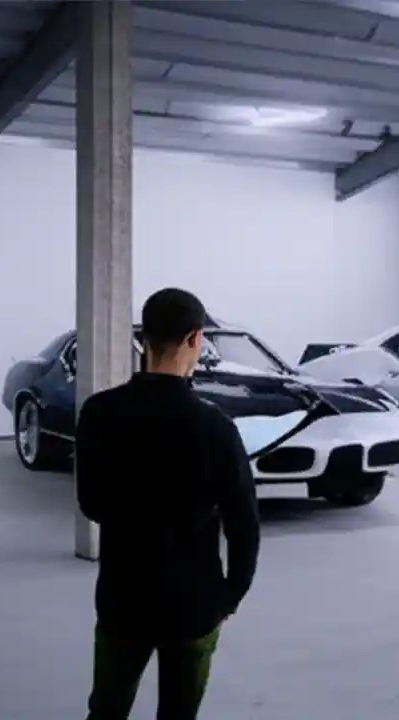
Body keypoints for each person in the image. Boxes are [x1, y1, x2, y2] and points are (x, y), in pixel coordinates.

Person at [75, 287, 261, 720]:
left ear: (145, 337)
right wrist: (229, 595)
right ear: (195, 339)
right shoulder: (215, 427)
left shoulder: (100, 413)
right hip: (194, 605)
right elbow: (243, 524)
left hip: (124, 597)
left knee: (106, 710)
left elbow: (92, 503)